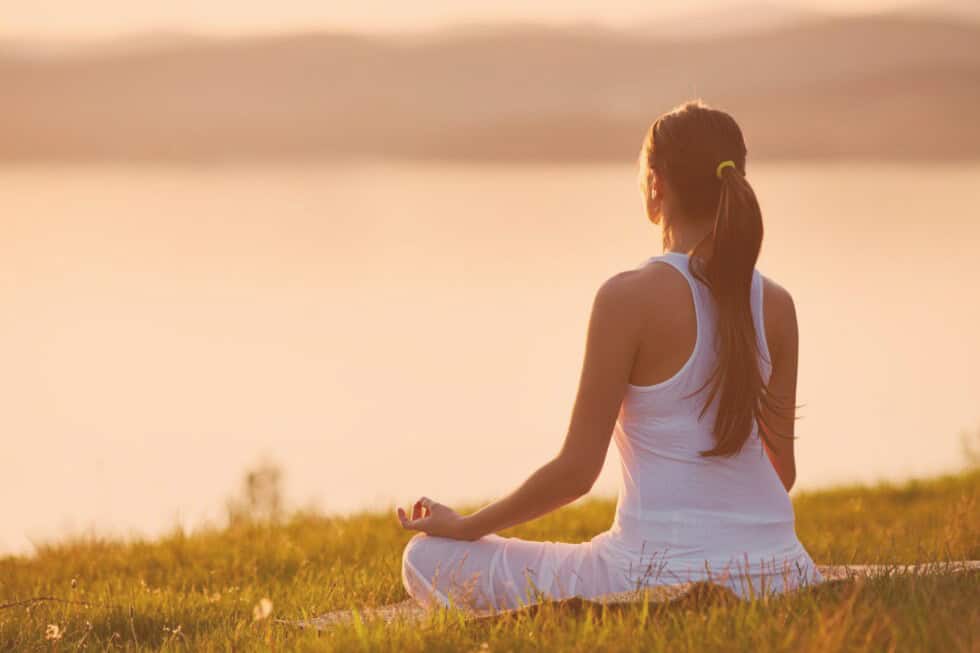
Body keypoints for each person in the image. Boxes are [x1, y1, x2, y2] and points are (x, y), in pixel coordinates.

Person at [396, 99, 824, 611]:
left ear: (656, 186)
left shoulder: (627, 299)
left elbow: (577, 472)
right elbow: (783, 475)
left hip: (648, 576)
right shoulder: (776, 304)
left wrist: (467, 526)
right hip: (785, 569)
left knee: (424, 558)